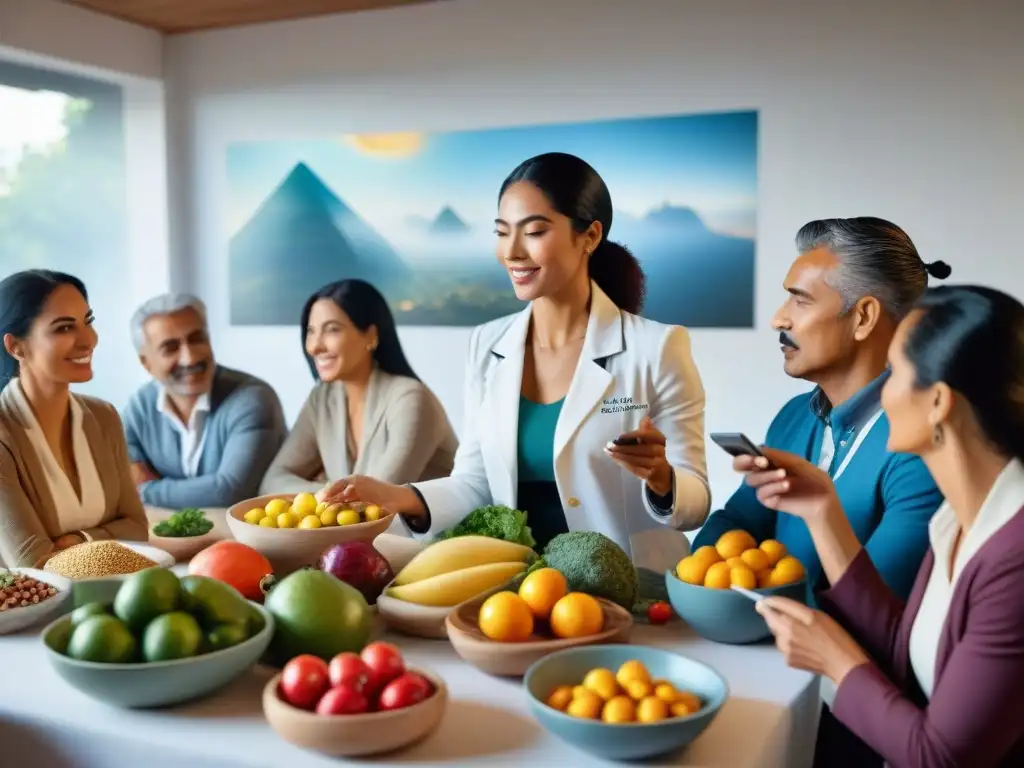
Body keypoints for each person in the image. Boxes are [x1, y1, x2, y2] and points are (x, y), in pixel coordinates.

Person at [320, 152, 710, 572]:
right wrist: (397, 496)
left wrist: (662, 478)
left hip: (630, 588)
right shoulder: (487, 344)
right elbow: (475, 483)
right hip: (518, 587)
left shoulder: (657, 348)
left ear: (590, 237)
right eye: (502, 232)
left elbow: (696, 504)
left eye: (535, 231)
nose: (512, 251)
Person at [739, 285, 1024, 768]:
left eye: (895, 372)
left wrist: (835, 661)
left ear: (937, 402)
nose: (881, 390)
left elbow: (940, 756)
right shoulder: (958, 519)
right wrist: (822, 511)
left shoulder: (1013, 559)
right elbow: (909, 650)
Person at [260, 280, 458, 512]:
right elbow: (271, 482)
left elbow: (374, 501)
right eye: (311, 331)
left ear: (371, 336)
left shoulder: (411, 399)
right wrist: (329, 492)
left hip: (433, 540)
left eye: (332, 329)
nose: (315, 346)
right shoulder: (323, 398)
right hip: (365, 537)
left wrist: (317, 490)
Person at [0, 270, 148, 567]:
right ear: (16, 346)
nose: (88, 340)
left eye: (88, 321)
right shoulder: (4, 437)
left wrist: (81, 539)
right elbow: (35, 564)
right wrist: (109, 535)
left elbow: (138, 529)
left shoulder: (104, 416)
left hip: (112, 594)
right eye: (64, 328)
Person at [122, 293, 287, 509]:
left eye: (196, 338)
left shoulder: (252, 399)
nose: (189, 358)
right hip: (175, 536)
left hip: (251, 537)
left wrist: (147, 490)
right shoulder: (139, 407)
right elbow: (120, 479)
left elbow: (229, 490)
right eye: (170, 348)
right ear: (147, 364)